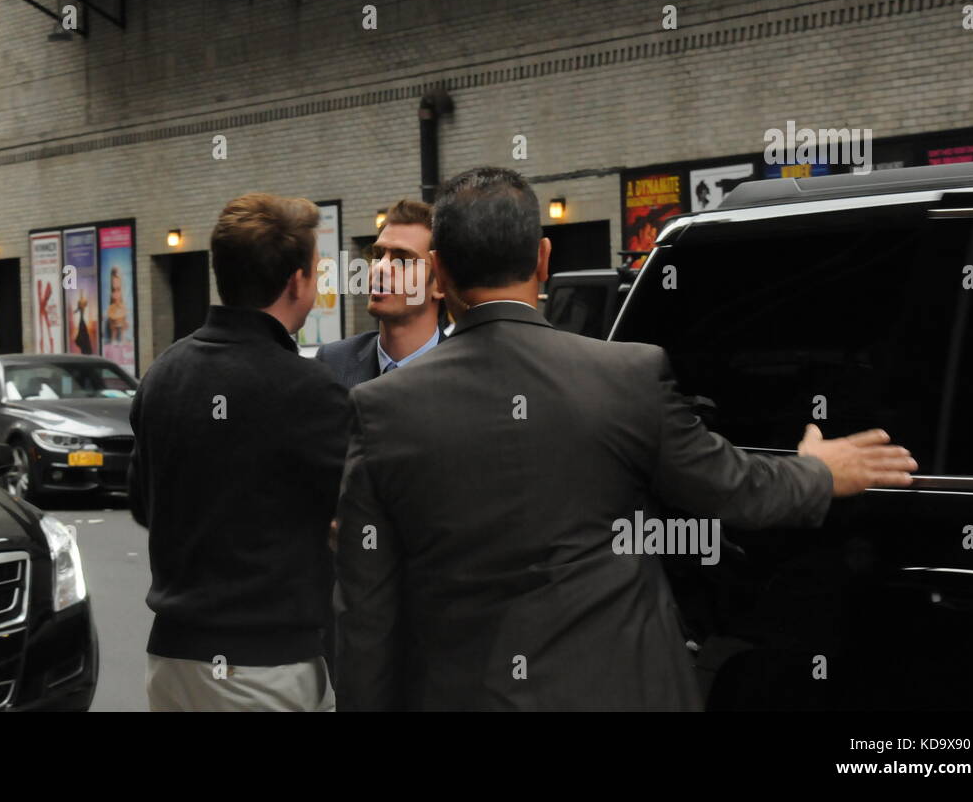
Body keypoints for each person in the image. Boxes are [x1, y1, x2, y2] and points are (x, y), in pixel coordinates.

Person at [334, 166, 918, 711]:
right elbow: (734, 488)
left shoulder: (382, 409)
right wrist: (817, 470)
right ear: (543, 259)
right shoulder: (627, 377)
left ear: (436, 271)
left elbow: (366, 609)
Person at [128, 193, 350, 712]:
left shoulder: (163, 373)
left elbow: (143, 503)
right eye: (316, 271)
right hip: (263, 670)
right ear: (296, 282)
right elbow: (364, 508)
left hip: (170, 660)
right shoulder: (307, 390)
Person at [317, 199, 447, 388]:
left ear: (439, 283)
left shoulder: (469, 371)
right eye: (377, 256)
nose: (380, 267)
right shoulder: (333, 362)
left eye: (402, 260)